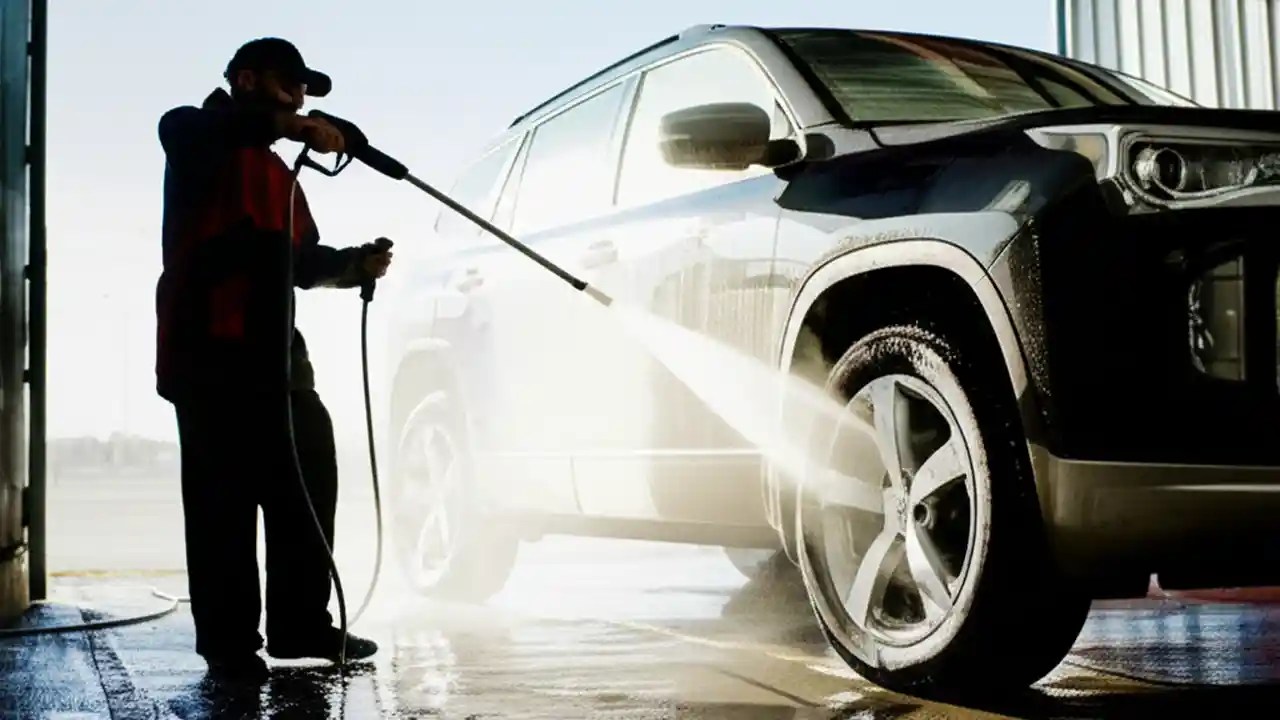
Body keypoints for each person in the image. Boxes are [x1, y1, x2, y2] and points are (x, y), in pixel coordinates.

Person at [155, 37, 393, 683]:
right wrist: (294, 127)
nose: (299, 100)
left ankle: (299, 625)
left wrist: (353, 265)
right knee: (221, 506)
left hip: (276, 355)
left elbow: (299, 262)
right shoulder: (196, 132)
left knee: (308, 476)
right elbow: (190, 131)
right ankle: (230, 647)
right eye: (290, 88)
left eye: (305, 94)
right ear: (247, 78)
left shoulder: (273, 172)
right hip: (208, 353)